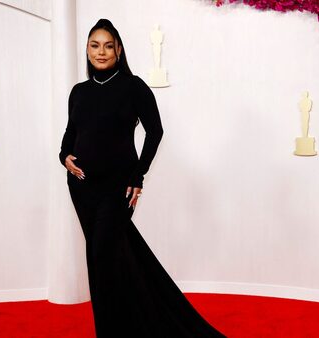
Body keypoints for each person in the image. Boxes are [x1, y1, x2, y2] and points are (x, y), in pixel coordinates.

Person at [59, 19, 225, 337]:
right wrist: (63, 156)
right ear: (87, 50)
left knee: (102, 256)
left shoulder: (134, 87)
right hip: (81, 187)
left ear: (119, 50)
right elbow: (70, 135)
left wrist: (139, 175)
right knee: (105, 259)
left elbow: (155, 131)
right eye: (95, 45)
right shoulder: (78, 92)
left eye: (108, 45)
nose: (101, 51)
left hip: (117, 188)